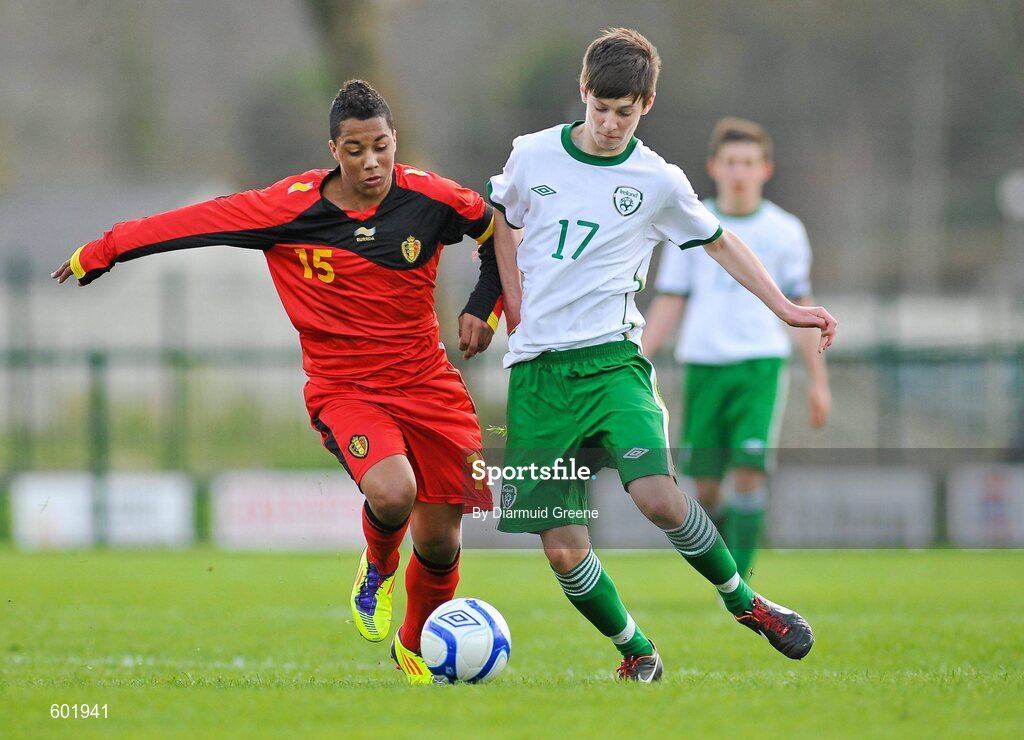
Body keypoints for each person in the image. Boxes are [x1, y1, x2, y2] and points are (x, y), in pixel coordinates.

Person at [52, 80, 502, 684]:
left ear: (395, 141)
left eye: (382, 146)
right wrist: (106, 249)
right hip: (346, 389)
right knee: (394, 492)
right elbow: (193, 222)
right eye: (355, 149)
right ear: (333, 150)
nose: (371, 163)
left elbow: (498, 233)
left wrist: (483, 304)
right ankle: (376, 569)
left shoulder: (432, 197)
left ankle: (413, 649)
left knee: (444, 540)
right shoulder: (288, 207)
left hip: (429, 382)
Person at [487, 29, 836, 682]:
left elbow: (722, 244)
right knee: (564, 551)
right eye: (602, 108)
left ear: (647, 104)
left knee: (657, 496)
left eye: (627, 111)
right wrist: (505, 306)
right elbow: (499, 227)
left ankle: (745, 602)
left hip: (613, 363)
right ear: (584, 91)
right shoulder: (532, 156)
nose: (612, 123)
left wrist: (787, 309)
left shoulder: (656, 180)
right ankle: (636, 651)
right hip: (536, 378)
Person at [645, 116, 831, 581]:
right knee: (705, 488)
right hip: (703, 364)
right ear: (714, 166)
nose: (739, 172)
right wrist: (639, 355)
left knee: (749, 470)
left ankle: (742, 585)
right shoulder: (691, 221)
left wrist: (818, 382)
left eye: (748, 162)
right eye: (731, 162)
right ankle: (726, 560)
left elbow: (800, 303)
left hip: (760, 365)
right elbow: (671, 298)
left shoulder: (785, 230)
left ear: (765, 169)